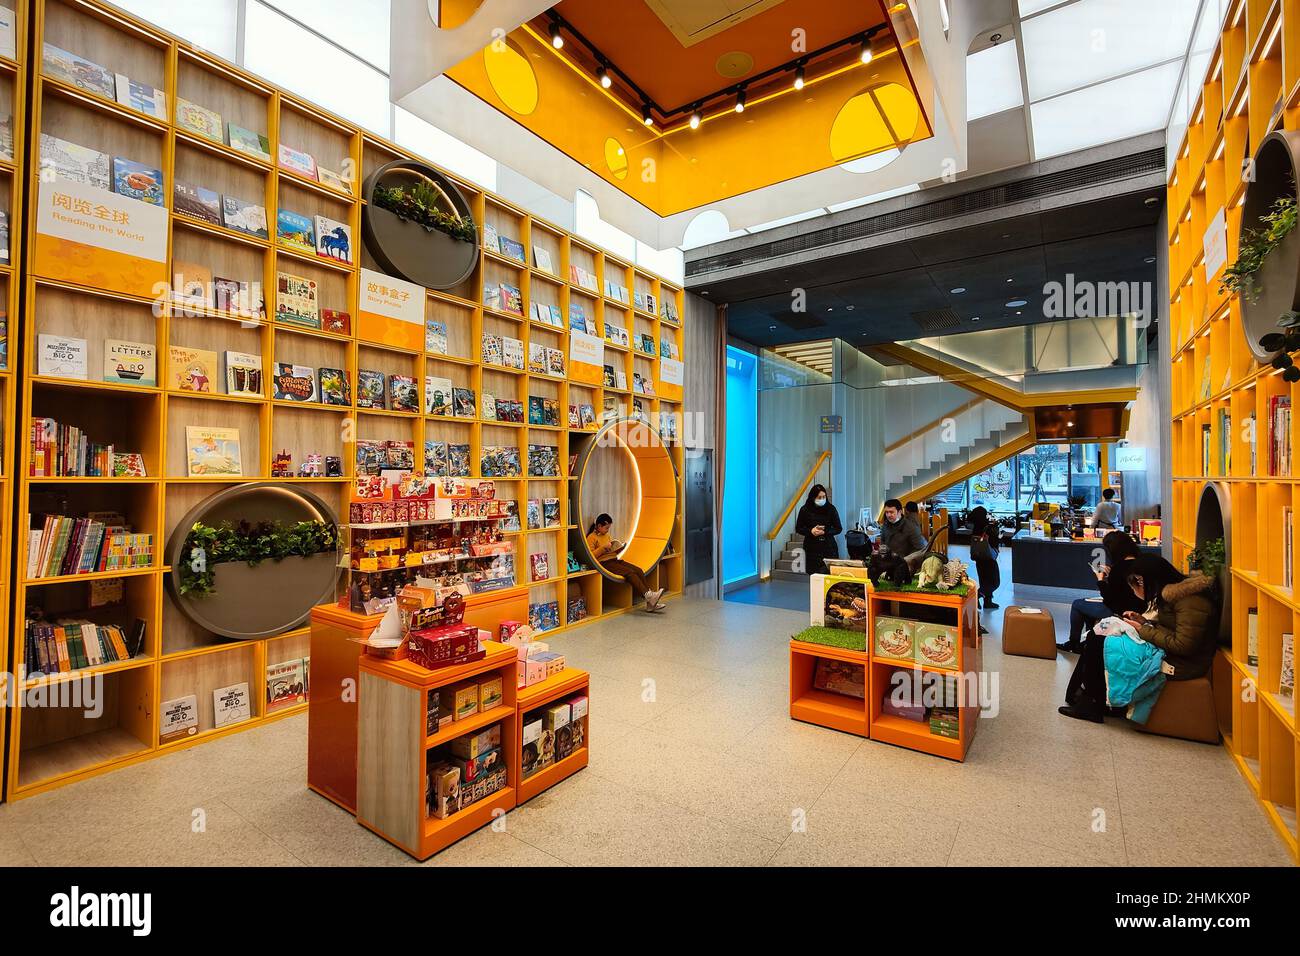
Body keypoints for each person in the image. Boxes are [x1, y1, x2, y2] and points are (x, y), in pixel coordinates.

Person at [1059, 554, 1217, 723]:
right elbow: (1173, 630)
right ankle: (1090, 699)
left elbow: (1183, 645)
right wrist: (1144, 622)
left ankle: (1091, 703)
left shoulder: (1190, 601)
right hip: (1169, 653)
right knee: (1097, 637)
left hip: (1180, 663)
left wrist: (1143, 630)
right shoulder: (1180, 596)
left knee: (1100, 642)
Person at [1056, 530, 1144, 652]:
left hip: (1120, 611)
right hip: (1140, 609)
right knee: (1087, 607)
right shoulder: (1143, 563)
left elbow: (1110, 600)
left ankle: (1073, 643)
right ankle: (1086, 643)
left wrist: (1101, 580)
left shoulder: (1118, 570)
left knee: (1078, 604)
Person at [586, 513, 665, 612]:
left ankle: (650, 602)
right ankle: (649, 596)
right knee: (629, 573)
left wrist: (619, 549)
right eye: (606, 528)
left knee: (638, 570)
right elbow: (591, 556)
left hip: (614, 560)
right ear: (599, 526)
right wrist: (602, 548)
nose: (607, 530)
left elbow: (610, 551)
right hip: (605, 563)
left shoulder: (607, 536)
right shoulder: (591, 537)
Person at [795, 484, 842, 575]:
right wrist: (810, 531)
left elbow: (838, 528)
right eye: (819, 497)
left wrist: (825, 531)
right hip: (812, 549)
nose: (822, 499)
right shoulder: (805, 510)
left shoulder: (831, 509)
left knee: (830, 576)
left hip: (829, 548)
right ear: (813, 497)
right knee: (814, 577)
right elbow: (799, 528)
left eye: (824, 497)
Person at [967, 505, 1001, 610]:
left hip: (979, 557)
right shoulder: (988, 527)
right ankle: (977, 595)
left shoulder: (976, 527)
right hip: (989, 558)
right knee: (995, 582)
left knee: (984, 580)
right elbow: (995, 541)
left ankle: (988, 602)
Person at [880, 498, 927, 569]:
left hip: (907, 565)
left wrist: (906, 561)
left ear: (900, 512)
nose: (888, 515)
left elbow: (922, 549)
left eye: (891, 512)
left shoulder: (911, 527)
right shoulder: (885, 525)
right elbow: (883, 544)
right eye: (886, 512)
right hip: (890, 564)